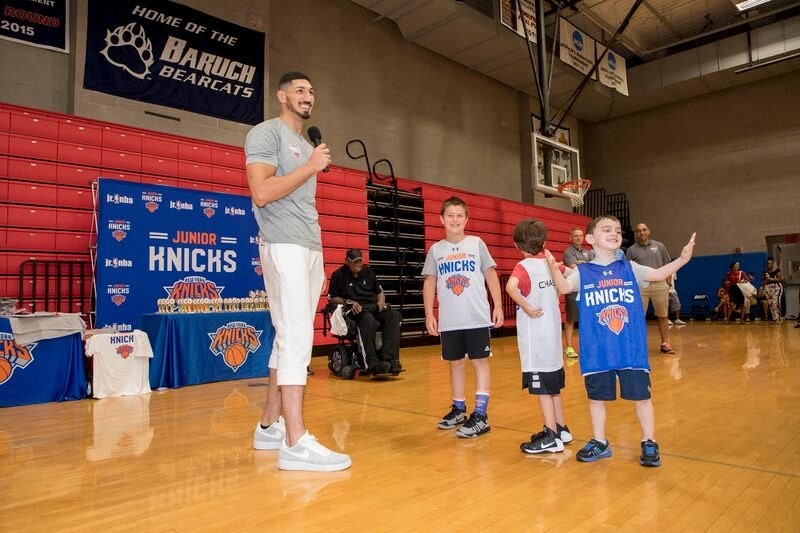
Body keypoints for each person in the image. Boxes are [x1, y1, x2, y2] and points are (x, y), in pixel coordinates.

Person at [245, 71, 350, 472]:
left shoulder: (306, 144)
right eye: (301, 90)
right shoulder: (266, 134)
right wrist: (310, 166)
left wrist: (309, 161)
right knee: (297, 338)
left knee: (287, 336)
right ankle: (295, 441)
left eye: (312, 90)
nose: (309, 95)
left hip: (308, 246)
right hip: (283, 244)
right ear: (282, 96)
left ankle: (269, 427)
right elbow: (262, 192)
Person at [545, 215, 696, 467]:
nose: (615, 233)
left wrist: (683, 259)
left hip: (630, 348)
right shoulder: (582, 272)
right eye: (607, 229)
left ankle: (649, 441)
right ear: (591, 239)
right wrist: (553, 268)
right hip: (597, 350)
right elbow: (563, 287)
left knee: (642, 397)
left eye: (617, 230)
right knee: (596, 398)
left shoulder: (630, 267)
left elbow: (658, 274)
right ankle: (600, 441)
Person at [423, 196, 504, 438]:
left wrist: (497, 305)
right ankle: (459, 409)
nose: (455, 220)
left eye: (459, 215)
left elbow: (490, 275)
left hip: (477, 317)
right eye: (450, 215)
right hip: (450, 320)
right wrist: (429, 313)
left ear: (466, 219)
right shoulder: (436, 250)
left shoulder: (477, 244)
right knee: (455, 363)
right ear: (442, 219)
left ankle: (481, 414)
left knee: (480, 362)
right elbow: (429, 282)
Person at [506, 219, 573, 453]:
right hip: (554, 336)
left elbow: (511, 287)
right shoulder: (551, 263)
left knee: (543, 388)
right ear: (544, 242)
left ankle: (551, 436)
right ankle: (561, 428)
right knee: (553, 386)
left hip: (536, 340)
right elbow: (574, 275)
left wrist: (526, 306)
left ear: (517, 245)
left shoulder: (523, 267)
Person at [327, 248, 402, 375]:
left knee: (394, 315)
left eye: (359, 261)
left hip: (372, 307)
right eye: (354, 262)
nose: (358, 264)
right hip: (354, 310)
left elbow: (379, 292)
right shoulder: (338, 275)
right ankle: (372, 363)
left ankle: (389, 358)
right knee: (367, 319)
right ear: (346, 261)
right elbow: (332, 298)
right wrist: (349, 302)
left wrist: (381, 301)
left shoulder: (369, 272)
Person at [625, 223, 675, 354]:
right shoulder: (631, 250)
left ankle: (665, 343)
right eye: (638, 231)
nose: (641, 233)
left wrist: (668, 282)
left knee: (663, 315)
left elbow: (667, 264)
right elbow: (627, 269)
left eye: (644, 230)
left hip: (660, 285)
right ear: (636, 233)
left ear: (649, 231)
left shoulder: (659, 246)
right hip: (641, 287)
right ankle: (638, 346)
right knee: (638, 317)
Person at [562, 227, 594, 357]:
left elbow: (594, 268)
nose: (579, 238)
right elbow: (575, 268)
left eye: (581, 235)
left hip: (587, 290)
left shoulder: (588, 252)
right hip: (573, 290)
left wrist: (583, 264)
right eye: (576, 236)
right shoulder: (568, 252)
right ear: (571, 237)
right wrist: (585, 266)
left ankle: (587, 348)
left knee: (587, 320)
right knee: (571, 319)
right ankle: (569, 348)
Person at [762, 257, 784, 323]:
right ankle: (774, 318)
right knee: (770, 303)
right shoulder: (765, 272)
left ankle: (778, 318)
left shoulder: (777, 270)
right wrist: (764, 282)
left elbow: (780, 279)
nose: (769, 265)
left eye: (770, 263)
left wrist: (771, 279)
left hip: (776, 287)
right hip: (768, 288)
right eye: (768, 263)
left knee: (775, 302)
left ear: (773, 264)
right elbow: (763, 281)